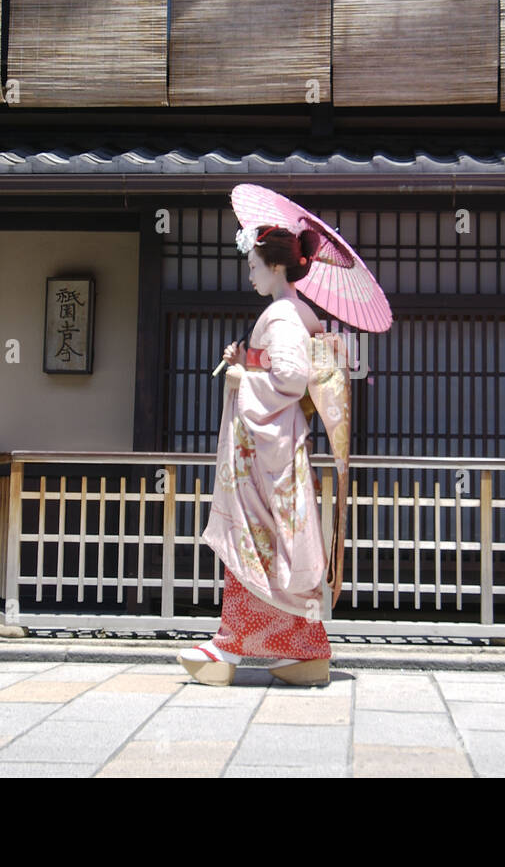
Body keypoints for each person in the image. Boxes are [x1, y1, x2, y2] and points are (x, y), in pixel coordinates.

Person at [178, 223, 338, 687]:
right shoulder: (294, 313)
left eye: (252, 267)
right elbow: (279, 369)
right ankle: (302, 649)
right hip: (276, 450)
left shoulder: (282, 316)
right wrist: (245, 360)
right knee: (276, 545)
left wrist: (238, 379)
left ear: (274, 266)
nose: (249, 276)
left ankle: (230, 644)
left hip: (265, 458)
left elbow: (290, 377)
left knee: (257, 544)